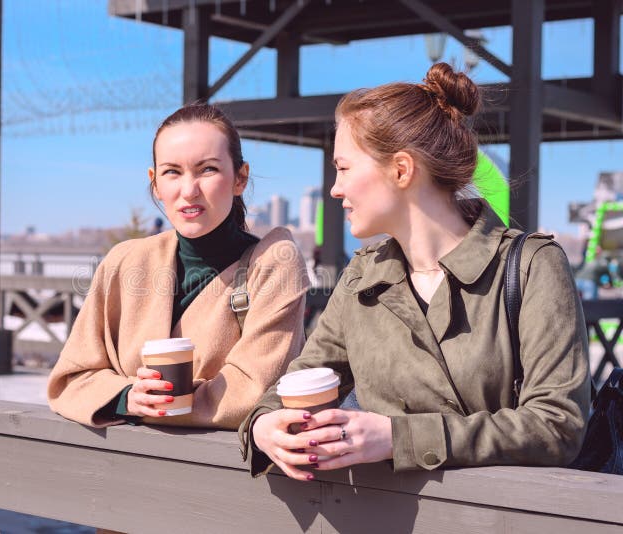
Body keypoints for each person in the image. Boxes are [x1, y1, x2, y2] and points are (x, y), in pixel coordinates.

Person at [240, 63, 591, 480]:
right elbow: (299, 382)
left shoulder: (532, 265)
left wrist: (398, 438)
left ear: (402, 170)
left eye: (344, 168)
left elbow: (557, 425)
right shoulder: (360, 278)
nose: (335, 188)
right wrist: (264, 427)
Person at [48, 103, 309, 430]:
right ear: (155, 182)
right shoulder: (125, 262)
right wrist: (127, 396)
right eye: (172, 172)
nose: (189, 191)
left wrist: (156, 403)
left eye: (208, 170)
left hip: (225, 474)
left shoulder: (271, 263)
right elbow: (70, 378)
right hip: (121, 470)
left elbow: (256, 391)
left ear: (240, 177)